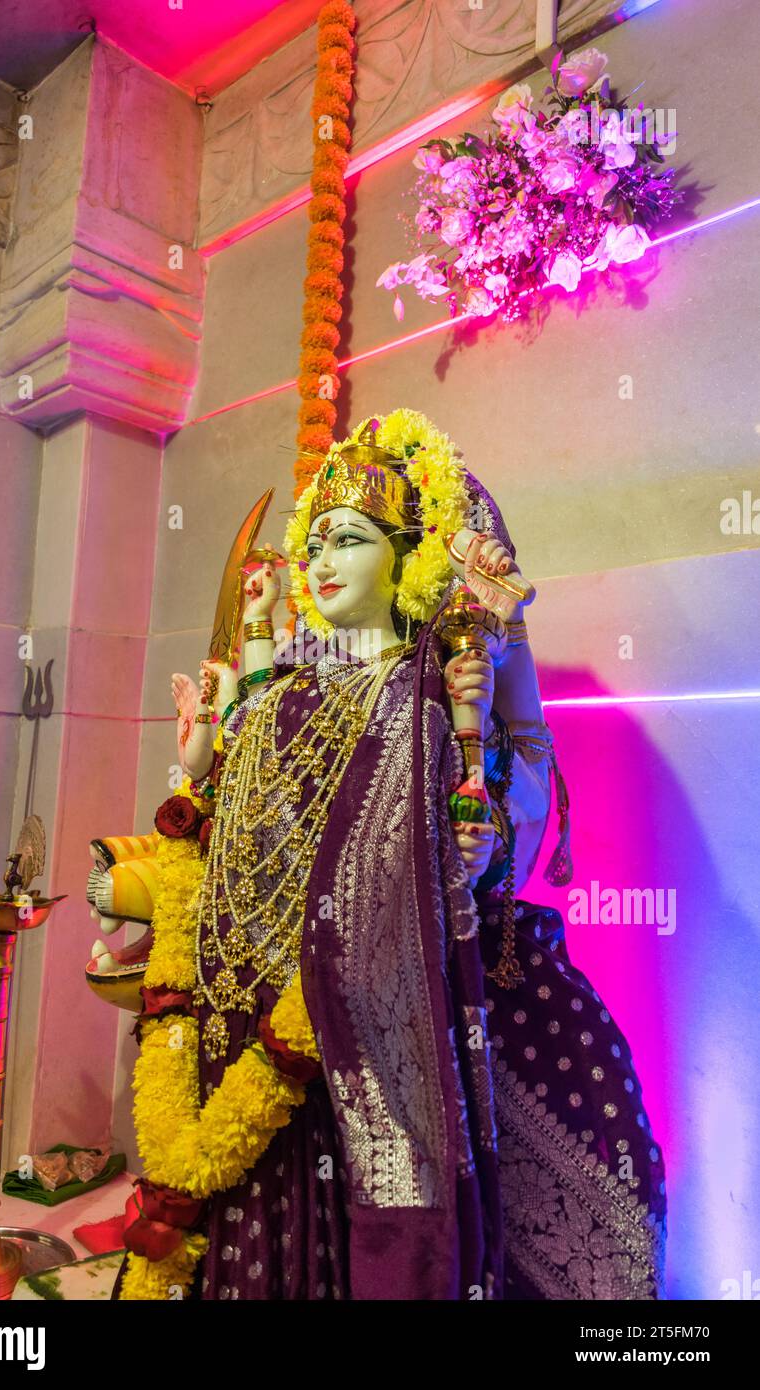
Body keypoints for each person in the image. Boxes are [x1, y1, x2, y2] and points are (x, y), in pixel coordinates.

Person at [115, 409, 666, 1301]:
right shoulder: (292, 685)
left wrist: (502, 632)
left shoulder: (430, 694)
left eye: (351, 539)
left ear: (407, 557)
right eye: (315, 543)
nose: (321, 563)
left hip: (393, 990)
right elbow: (245, 829)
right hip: (268, 998)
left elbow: (499, 799)